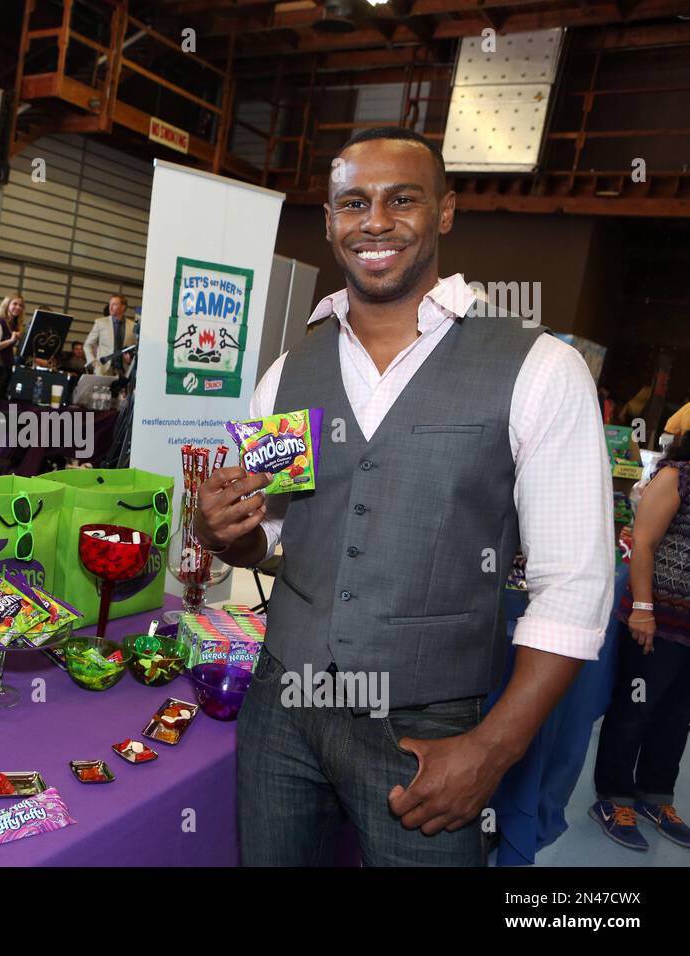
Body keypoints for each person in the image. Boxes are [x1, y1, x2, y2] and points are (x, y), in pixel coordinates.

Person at [193, 126, 613, 866]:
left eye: (402, 199)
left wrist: (493, 748)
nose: (376, 221)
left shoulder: (539, 369)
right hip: (282, 707)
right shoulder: (288, 375)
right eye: (353, 202)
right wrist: (229, 535)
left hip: (430, 732)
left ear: (445, 211)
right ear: (329, 221)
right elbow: (279, 535)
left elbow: (573, 588)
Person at [591, 433, 690, 851]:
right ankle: (613, 798)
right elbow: (644, 544)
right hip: (656, 618)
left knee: (676, 717)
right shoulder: (677, 477)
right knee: (635, 708)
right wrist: (643, 609)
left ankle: (655, 796)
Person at [84, 294, 137, 376]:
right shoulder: (100, 323)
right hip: (103, 370)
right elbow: (87, 345)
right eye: (110, 304)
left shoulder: (133, 326)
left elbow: (135, 347)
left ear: (123, 307)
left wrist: (131, 358)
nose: (110, 307)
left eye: (114, 304)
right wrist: (93, 362)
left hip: (124, 372)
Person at [0, 294, 24, 368]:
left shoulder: (15, 324)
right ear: (7, 305)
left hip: (8, 363)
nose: (18, 307)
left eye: (20, 305)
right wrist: (11, 340)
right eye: (15, 304)